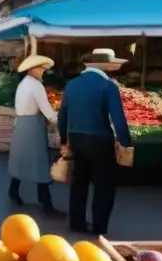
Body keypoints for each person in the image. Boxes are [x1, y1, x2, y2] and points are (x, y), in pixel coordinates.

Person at [57, 48, 132, 236]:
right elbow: (118, 118)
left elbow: (62, 116)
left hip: (76, 139)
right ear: (107, 66)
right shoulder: (108, 86)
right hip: (100, 141)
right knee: (103, 186)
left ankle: (77, 224)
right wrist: (125, 142)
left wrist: (64, 140)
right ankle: (99, 227)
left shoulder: (72, 85)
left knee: (79, 184)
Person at [9, 54, 64, 216]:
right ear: (33, 69)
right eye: (42, 69)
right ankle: (46, 204)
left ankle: (13, 191)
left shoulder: (23, 84)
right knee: (40, 164)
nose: (44, 72)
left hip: (21, 125)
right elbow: (48, 111)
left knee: (20, 161)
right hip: (33, 127)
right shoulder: (36, 86)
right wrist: (59, 120)